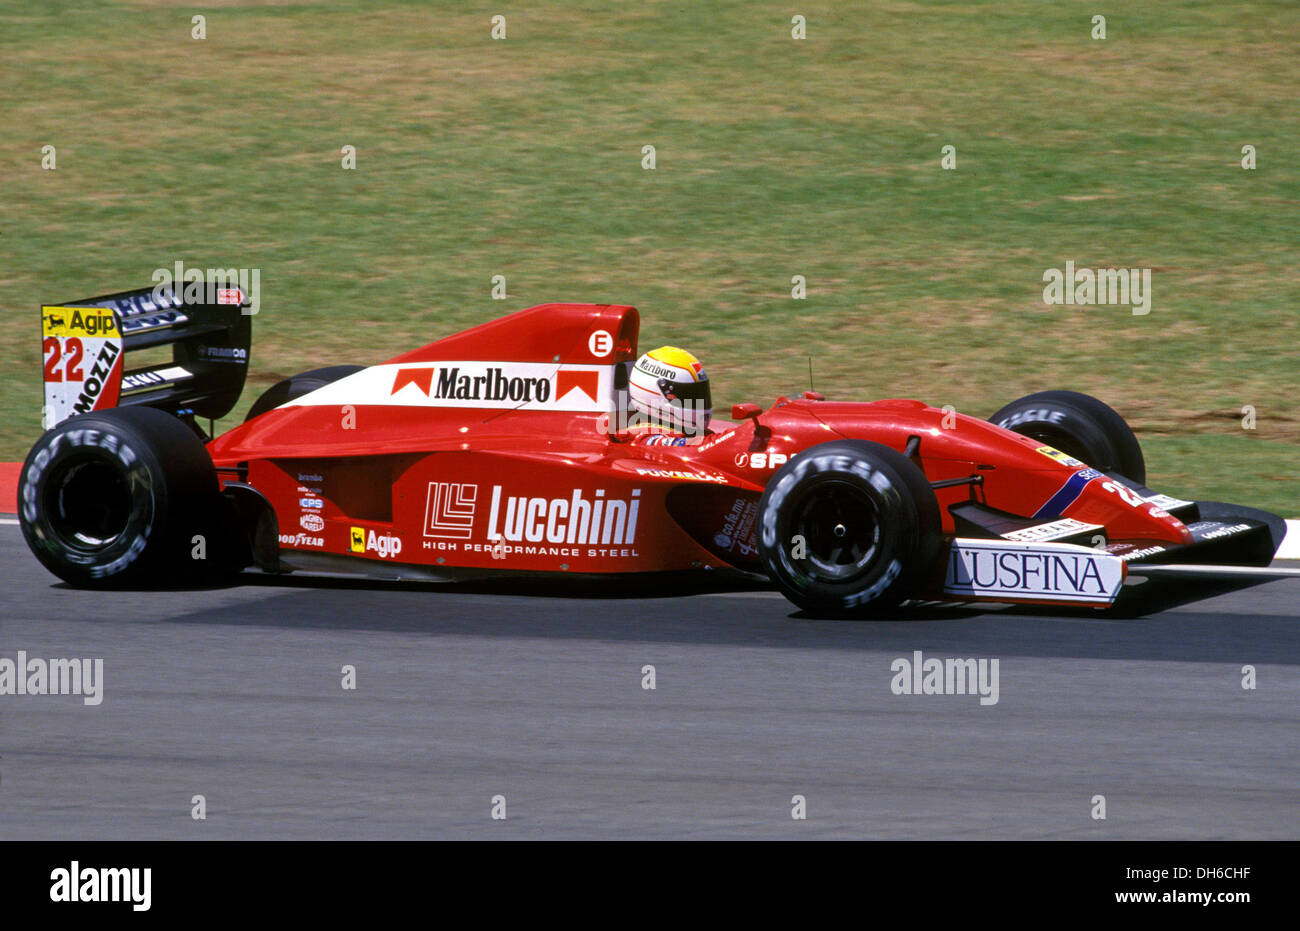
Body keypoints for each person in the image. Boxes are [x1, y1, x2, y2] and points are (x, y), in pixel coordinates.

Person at [625, 346, 712, 441]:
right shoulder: (647, 439)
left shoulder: (682, 433)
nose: (699, 402)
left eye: (700, 394)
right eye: (688, 395)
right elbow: (690, 448)